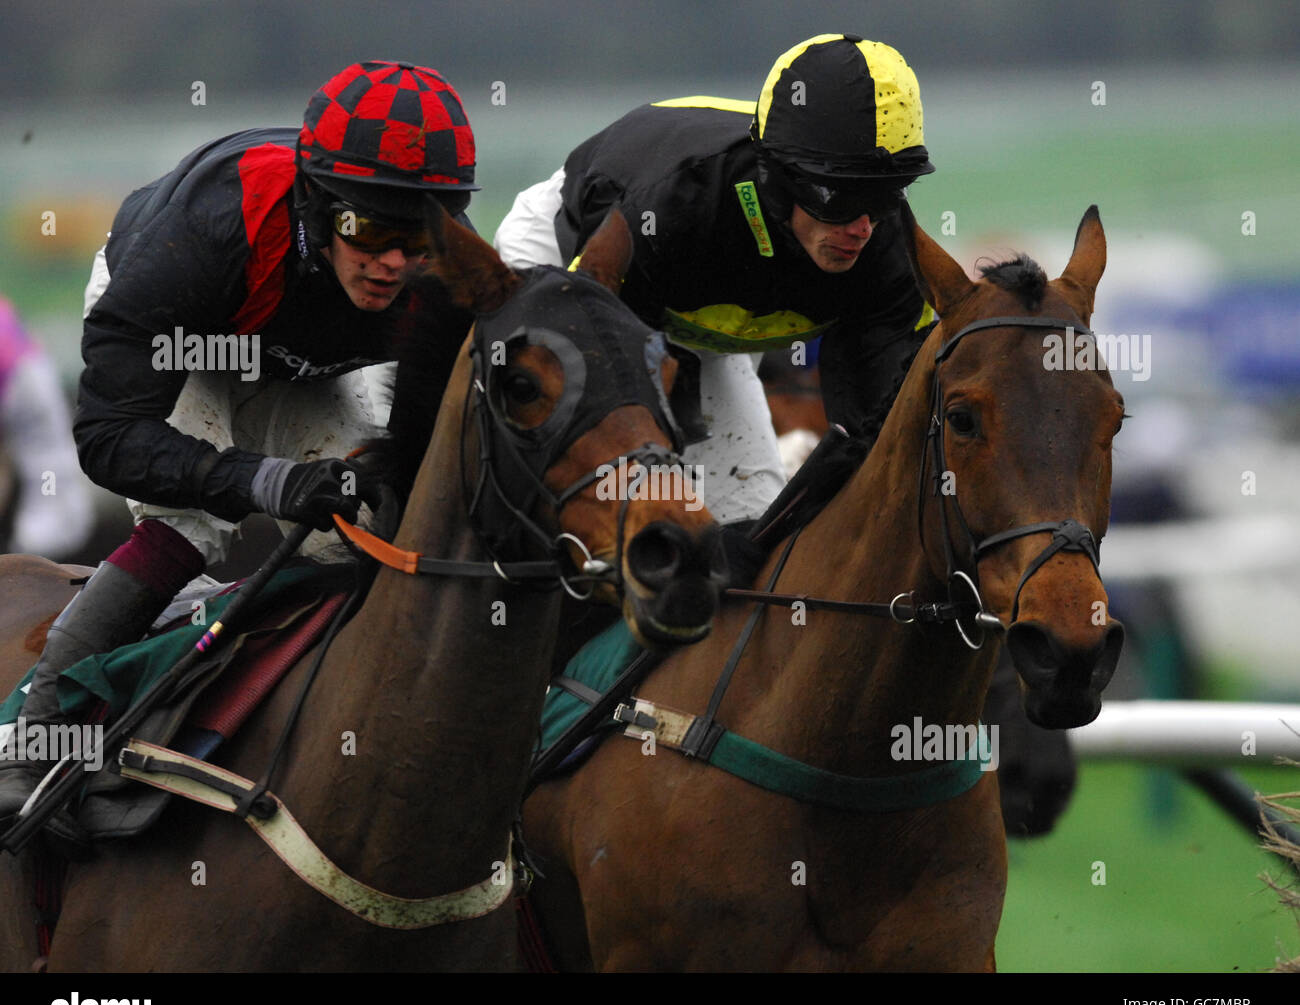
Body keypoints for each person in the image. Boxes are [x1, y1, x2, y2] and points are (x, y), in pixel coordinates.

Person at [0, 60, 479, 839]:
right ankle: (38, 733)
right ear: (317, 206)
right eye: (369, 232)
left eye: (419, 236)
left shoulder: (449, 273)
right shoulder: (202, 238)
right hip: (190, 346)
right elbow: (108, 439)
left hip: (301, 363)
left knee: (376, 528)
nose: (394, 262)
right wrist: (259, 480)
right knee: (194, 523)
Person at [494, 33, 937, 540]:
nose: (862, 227)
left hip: (697, 321)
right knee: (576, 511)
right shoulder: (675, 209)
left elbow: (876, 432)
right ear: (780, 176)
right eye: (839, 196)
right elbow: (602, 386)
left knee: (749, 532)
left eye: (883, 197)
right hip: (574, 269)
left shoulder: (886, 252)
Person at [0, 296, 94, 559]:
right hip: (20, 361)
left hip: (18, 366)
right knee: (47, 463)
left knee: (47, 467)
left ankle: (42, 550)